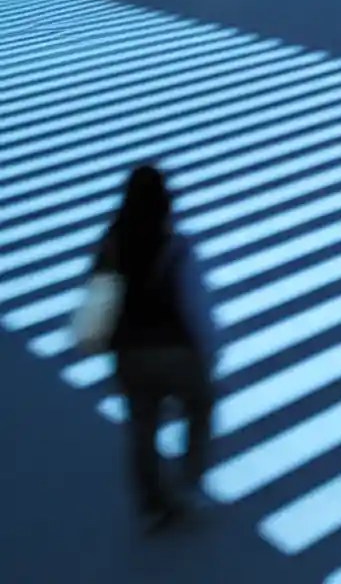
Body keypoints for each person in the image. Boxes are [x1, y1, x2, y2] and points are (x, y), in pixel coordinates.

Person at [90, 165, 219, 532]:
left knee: (142, 426)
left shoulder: (111, 245)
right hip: (176, 354)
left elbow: (99, 302)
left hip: (130, 356)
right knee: (200, 405)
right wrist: (209, 350)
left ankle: (151, 503)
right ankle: (188, 483)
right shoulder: (175, 247)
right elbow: (195, 305)